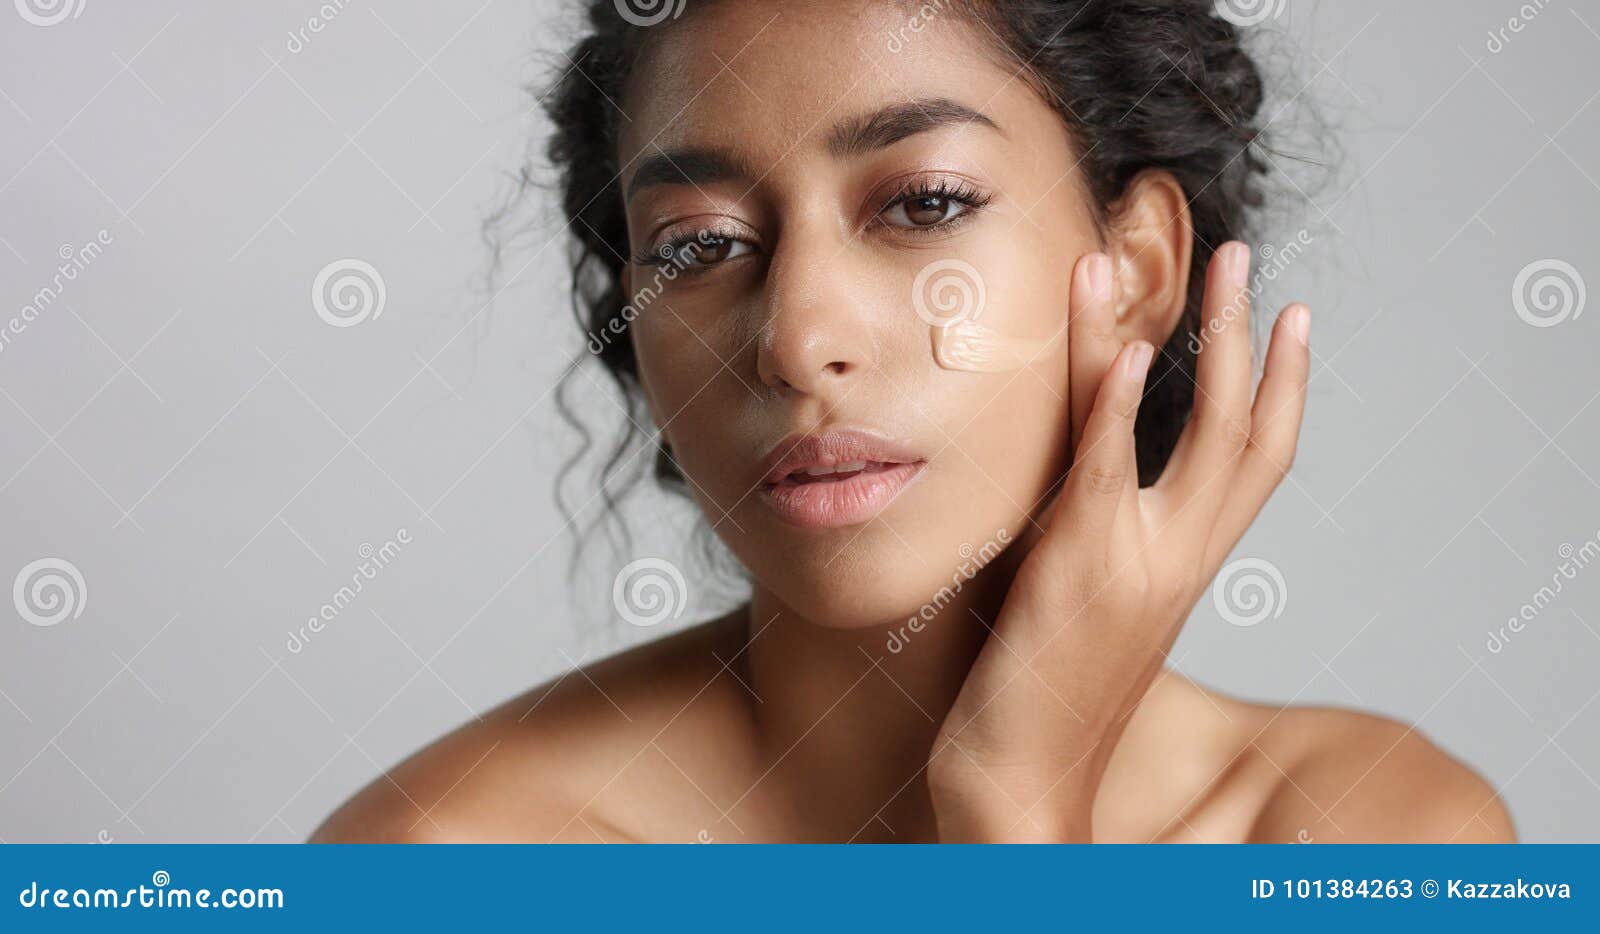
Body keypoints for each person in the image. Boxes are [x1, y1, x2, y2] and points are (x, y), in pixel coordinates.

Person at [312, 0, 1512, 843]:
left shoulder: (1361, 836)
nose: (793, 336)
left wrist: (1014, 811)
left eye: (923, 203)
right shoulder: (445, 860)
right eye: (698, 245)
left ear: (1137, 266)